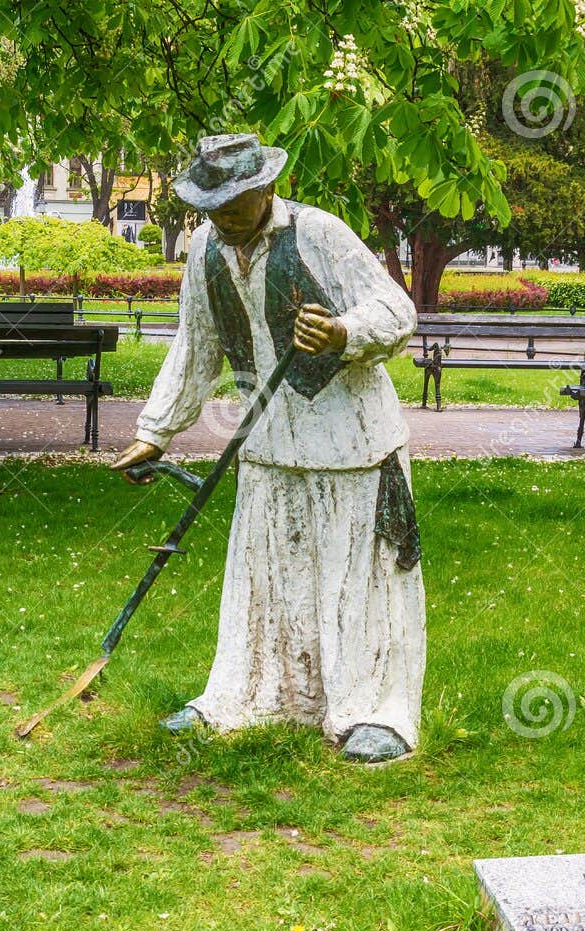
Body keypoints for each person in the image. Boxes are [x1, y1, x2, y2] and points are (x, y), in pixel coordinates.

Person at [109, 133, 424, 764]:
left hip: (351, 444)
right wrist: (155, 431)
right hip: (266, 443)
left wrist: (343, 332)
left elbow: (397, 312)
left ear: (267, 189)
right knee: (266, 583)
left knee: (355, 582)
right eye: (212, 207)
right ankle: (246, 698)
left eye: (235, 204)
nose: (223, 218)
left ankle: (374, 712)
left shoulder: (319, 233)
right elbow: (195, 346)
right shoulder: (204, 250)